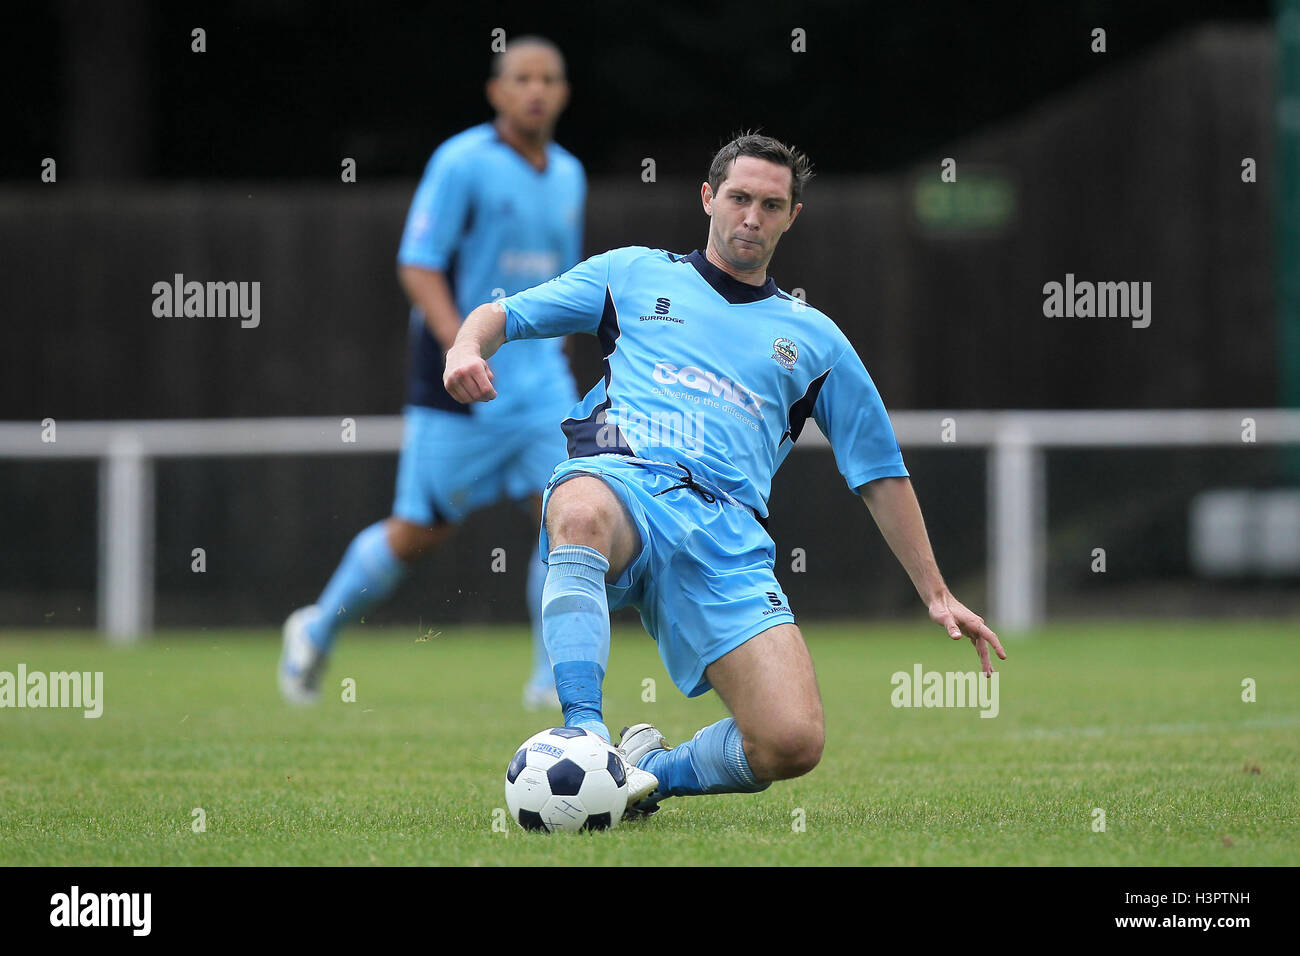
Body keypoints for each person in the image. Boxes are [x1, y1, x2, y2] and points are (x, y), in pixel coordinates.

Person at [443, 132, 1006, 813]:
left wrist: (937, 593)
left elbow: (880, 472)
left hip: (725, 537)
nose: (752, 217)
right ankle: (583, 730)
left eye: (772, 205)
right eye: (739, 198)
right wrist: (466, 348)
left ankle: (647, 772)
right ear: (709, 198)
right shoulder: (630, 274)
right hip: (624, 482)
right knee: (580, 510)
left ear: (791, 216)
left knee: (791, 742)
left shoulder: (815, 340)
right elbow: (504, 313)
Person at [280, 36, 585, 709]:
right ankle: (318, 628)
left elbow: (562, 283)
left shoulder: (568, 175)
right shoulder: (461, 162)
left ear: (563, 93)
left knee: (570, 515)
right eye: (521, 78)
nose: (535, 90)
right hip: (457, 388)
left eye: (549, 79)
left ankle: (553, 686)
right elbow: (418, 263)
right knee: (419, 531)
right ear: (497, 91)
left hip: (540, 389)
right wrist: (462, 347)